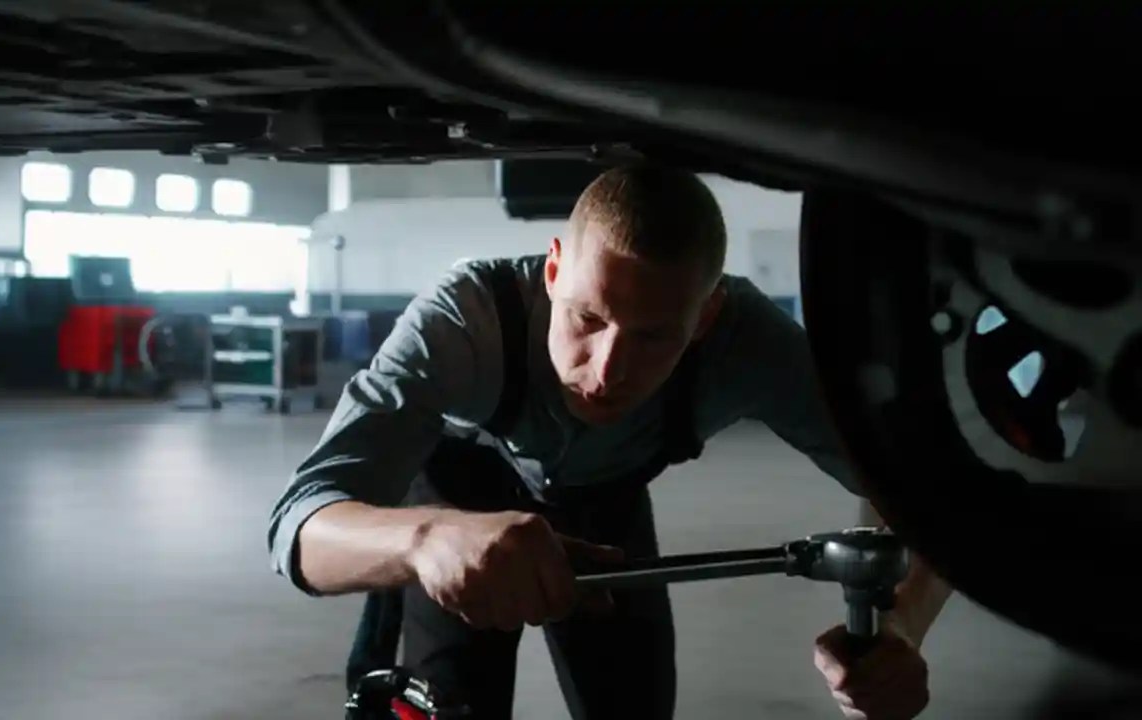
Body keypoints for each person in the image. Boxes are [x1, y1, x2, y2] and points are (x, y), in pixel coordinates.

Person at [267, 164, 953, 719]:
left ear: (707, 315)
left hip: (607, 510)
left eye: (654, 336)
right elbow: (298, 528)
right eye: (587, 317)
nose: (605, 371)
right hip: (457, 498)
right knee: (448, 705)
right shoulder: (465, 319)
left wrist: (899, 630)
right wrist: (424, 542)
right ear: (554, 268)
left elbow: (936, 493)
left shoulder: (749, 342)